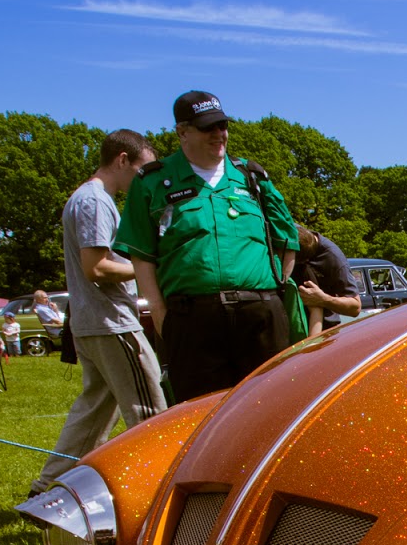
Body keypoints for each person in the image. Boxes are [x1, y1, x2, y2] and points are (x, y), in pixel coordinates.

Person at [115, 90, 299, 403]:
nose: (218, 134)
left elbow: (287, 239)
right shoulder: (153, 181)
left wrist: (275, 294)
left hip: (259, 314)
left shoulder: (251, 177)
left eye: (222, 125)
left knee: (270, 407)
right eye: (207, 128)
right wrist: (160, 314)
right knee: (200, 413)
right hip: (192, 319)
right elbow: (141, 255)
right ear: (182, 131)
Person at [32, 129, 169, 493]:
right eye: (144, 171)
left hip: (92, 323)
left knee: (92, 414)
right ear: (123, 160)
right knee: (151, 410)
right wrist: (151, 268)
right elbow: (97, 266)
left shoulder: (87, 198)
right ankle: (160, 492)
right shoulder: (94, 201)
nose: (146, 181)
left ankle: (48, 489)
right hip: (112, 324)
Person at [291, 225, 360, 335]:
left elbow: (355, 307)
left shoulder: (334, 259)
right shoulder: (289, 231)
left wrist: (323, 299)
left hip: (324, 330)